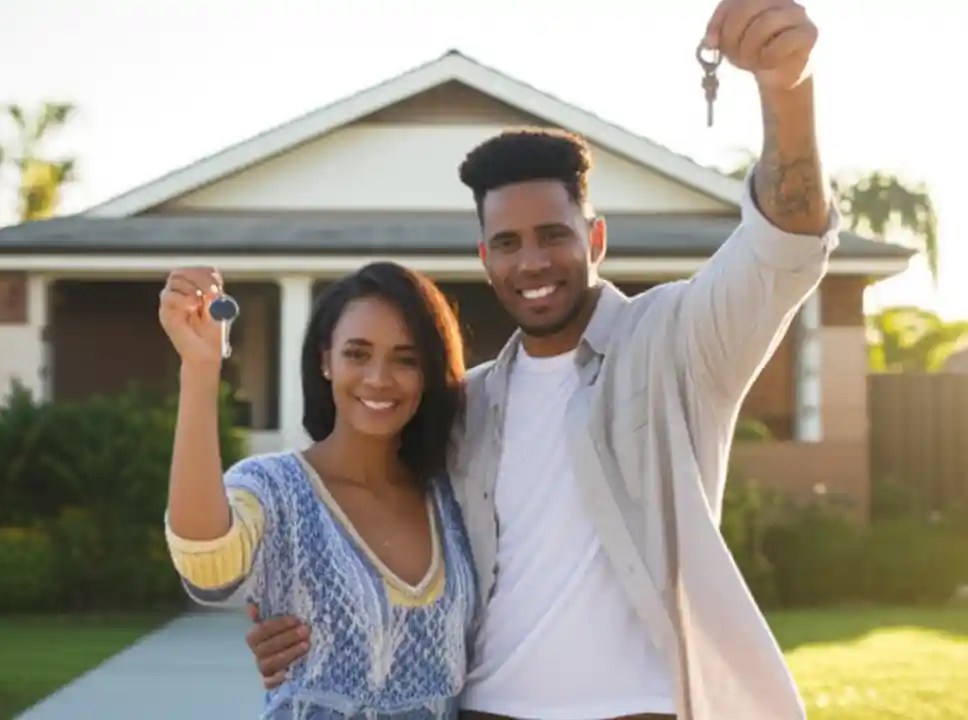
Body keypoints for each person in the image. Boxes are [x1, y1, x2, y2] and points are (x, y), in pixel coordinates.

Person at [248, 1, 834, 717]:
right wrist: (294, 621)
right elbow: (375, 518)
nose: (531, 261)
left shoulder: (678, 345)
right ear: (485, 255)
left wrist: (786, 90)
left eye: (553, 235)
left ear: (595, 240)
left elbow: (786, 243)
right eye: (507, 242)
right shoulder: (467, 405)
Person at [159, 261, 478, 718]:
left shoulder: (453, 494)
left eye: (405, 359)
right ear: (325, 360)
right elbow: (206, 562)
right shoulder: (275, 489)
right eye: (357, 353)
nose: (378, 378)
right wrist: (200, 368)